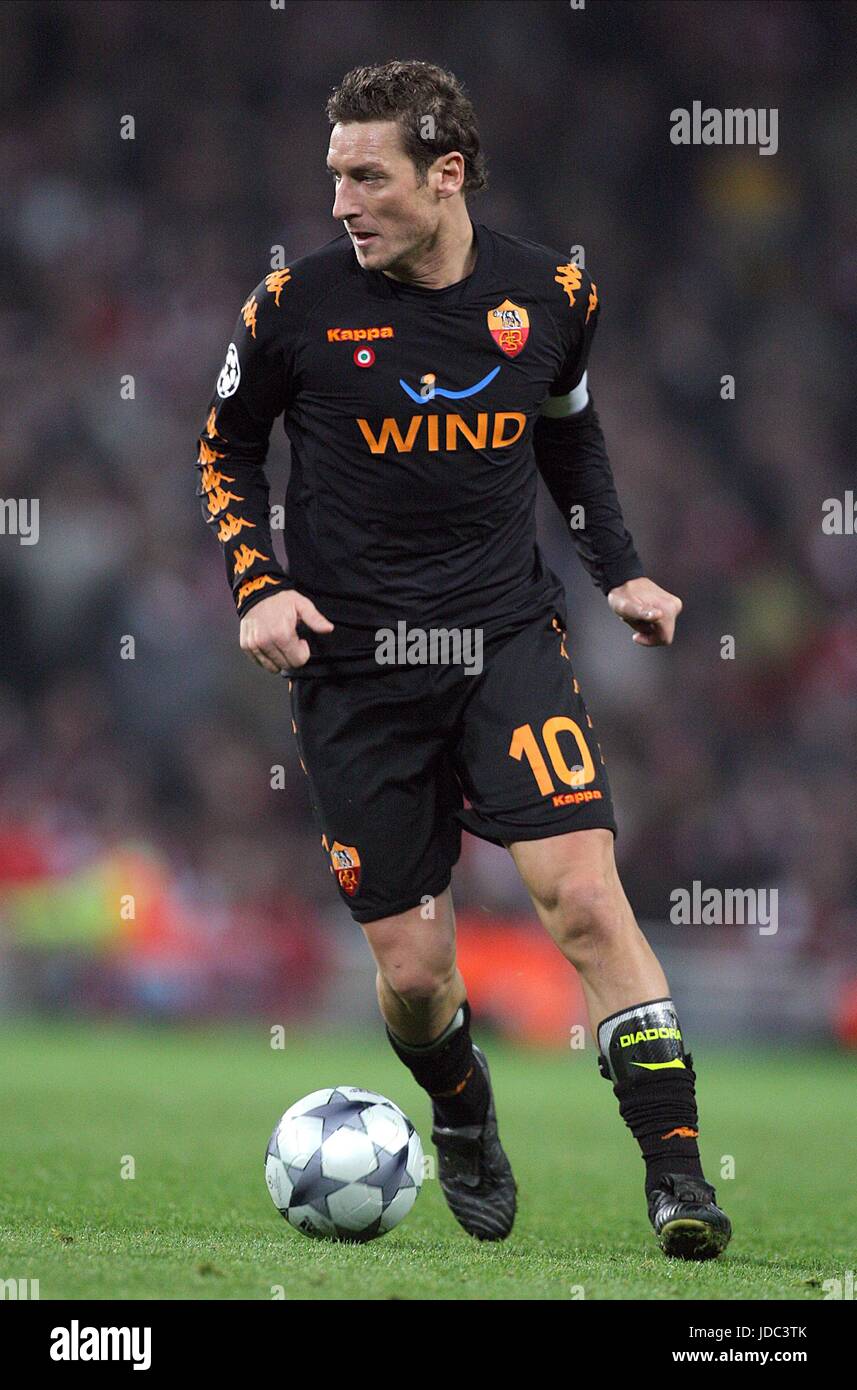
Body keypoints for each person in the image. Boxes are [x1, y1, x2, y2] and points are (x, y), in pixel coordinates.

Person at [195, 59, 731, 1259]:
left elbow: (570, 437)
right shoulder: (292, 304)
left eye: (365, 175)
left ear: (444, 177)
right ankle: (459, 1104)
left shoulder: (551, 293)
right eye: (333, 175)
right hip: (351, 670)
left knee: (586, 900)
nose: (340, 200)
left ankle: (678, 1178)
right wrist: (258, 584)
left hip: (502, 643)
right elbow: (222, 451)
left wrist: (621, 572)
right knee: (418, 974)